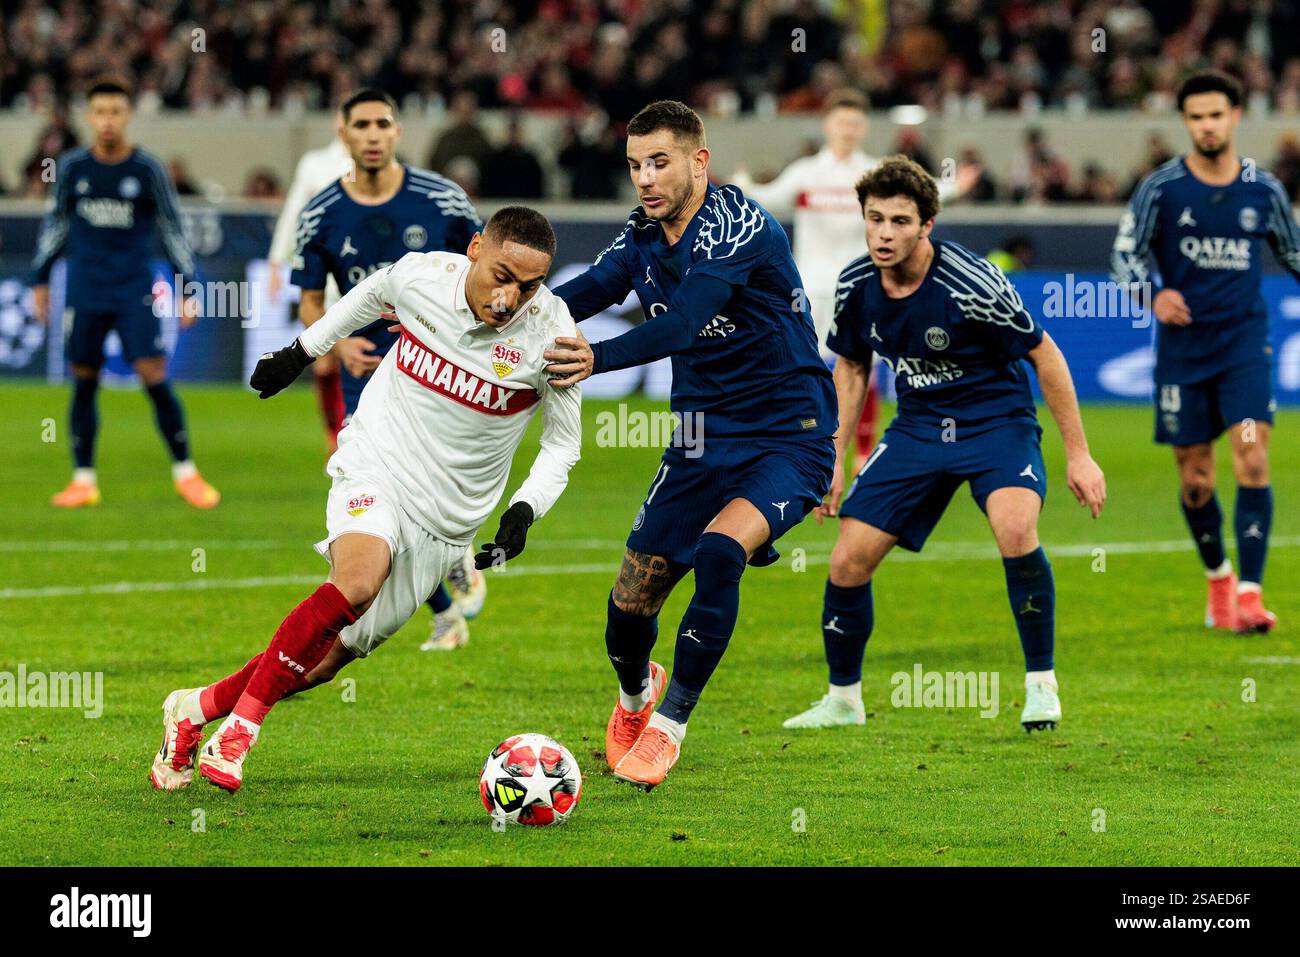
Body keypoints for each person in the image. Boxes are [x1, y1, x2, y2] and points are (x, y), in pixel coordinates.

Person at [150, 207, 581, 793]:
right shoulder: (422, 277)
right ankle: (240, 733)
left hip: (447, 523)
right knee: (357, 580)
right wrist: (302, 352)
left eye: (528, 287)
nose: (510, 298)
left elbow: (562, 446)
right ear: (476, 248)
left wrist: (526, 508)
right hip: (377, 461)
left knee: (326, 661)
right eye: (502, 276)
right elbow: (370, 294)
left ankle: (196, 708)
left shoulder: (554, 339)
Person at [544, 100, 838, 791]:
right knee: (628, 608)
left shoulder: (738, 227)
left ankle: (669, 727)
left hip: (788, 434)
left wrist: (596, 358)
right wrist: (514, 306)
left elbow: (681, 324)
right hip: (701, 437)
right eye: (635, 165)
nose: (644, 178)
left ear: (698, 161)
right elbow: (594, 287)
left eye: (659, 162)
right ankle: (635, 696)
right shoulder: (643, 231)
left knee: (718, 550)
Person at [784, 156, 1106, 732]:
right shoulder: (857, 284)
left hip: (996, 422)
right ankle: (843, 700)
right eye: (875, 219)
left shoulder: (973, 283)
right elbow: (852, 367)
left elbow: (1046, 355)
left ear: (927, 224)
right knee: (847, 559)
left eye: (900, 222)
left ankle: (1041, 686)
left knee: (1015, 529)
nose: (884, 233)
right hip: (919, 426)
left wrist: (1078, 454)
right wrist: (830, 456)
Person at [290, 88, 487, 651]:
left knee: (431, 491)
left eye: (383, 123)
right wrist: (338, 342)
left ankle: (454, 556)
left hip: (442, 373)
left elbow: (484, 269)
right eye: (362, 125)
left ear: (398, 131)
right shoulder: (322, 212)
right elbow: (309, 301)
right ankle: (449, 601)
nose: (373, 135)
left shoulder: (443, 201)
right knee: (384, 507)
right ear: (343, 132)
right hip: (367, 377)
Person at [1111, 70, 1300, 633]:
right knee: (1195, 478)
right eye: (1196, 116)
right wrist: (1152, 294)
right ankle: (1218, 576)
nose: (1207, 125)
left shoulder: (1263, 189)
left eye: (1216, 114)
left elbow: (1293, 254)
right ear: (1186, 122)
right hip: (1183, 354)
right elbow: (1124, 256)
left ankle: (1250, 592)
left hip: (1243, 347)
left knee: (1253, 456)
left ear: (1236, 115)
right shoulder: (1161, 188)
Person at [731, 89, 979, 467]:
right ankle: (800, 445)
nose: (848, 129)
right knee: (803, 365)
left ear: (863, 128)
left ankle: (863, 453)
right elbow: (766, 199)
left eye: (855, 123)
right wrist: (743, 185)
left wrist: (954, 188)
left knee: (864, 367)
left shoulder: (875, 174)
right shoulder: (806, 172)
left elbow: (919, 194)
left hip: (861, 288)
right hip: (808, 289)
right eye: (841, 121)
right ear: (828, 125)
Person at [30, 78, 219, 510]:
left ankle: (186, 472)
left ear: (128, 115)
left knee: (154, 376)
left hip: (135, 289)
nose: (108, 120)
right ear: (89, 117)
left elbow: (172, 228)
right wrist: (41, 279)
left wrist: (187, 286)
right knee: (83, 379)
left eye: (116, 111)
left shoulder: (147, 170)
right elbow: (55, 227)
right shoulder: (73, 168)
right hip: (85, 289)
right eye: (100, 112)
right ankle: (83, 479)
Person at [266, 119, 353, 454]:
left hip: (360, 273)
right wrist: (276, 261)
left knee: (357, 354)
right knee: (326, 358)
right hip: (322, 272)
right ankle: (334, 433)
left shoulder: (376, 167)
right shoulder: (315, 164)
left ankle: (353, 431)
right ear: (338, 123)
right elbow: (293, 213)